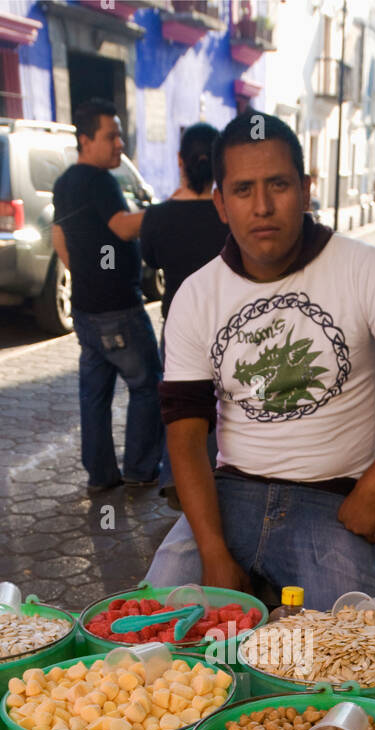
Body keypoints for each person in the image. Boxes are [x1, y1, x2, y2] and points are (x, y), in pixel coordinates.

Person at [143, 112, 375, 610]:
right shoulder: (196, 295)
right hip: (228, 497)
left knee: (344, 662)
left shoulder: (364, 270)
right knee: (155, 633)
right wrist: (212, 552)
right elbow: (186, 434)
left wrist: (372, 491)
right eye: (243, 189)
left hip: (331, 503)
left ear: (306, 189)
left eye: (278, 184)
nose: (263, 206)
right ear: (221, 204)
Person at [52, 98, 163, 494]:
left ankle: (100, 476)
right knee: (147, 383)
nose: (119, 144)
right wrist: (168, 215)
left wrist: (83, 273)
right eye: (111, 136)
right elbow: (122, 227)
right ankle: (140, 468)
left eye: (120, 135)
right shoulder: (100, 181)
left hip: (85, 309)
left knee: (94, 395)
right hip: (118, 308)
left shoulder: (65, 182)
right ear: (86, 140)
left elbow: (59, 237)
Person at [139, 123, 228, 504]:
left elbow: (151, 261)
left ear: (180, 162)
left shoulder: (158, 216)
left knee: (181, 405)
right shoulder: (228, 214)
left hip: (178, 325)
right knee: (225, 406)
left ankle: (179, 478)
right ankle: (220, 477)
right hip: (229, 323)